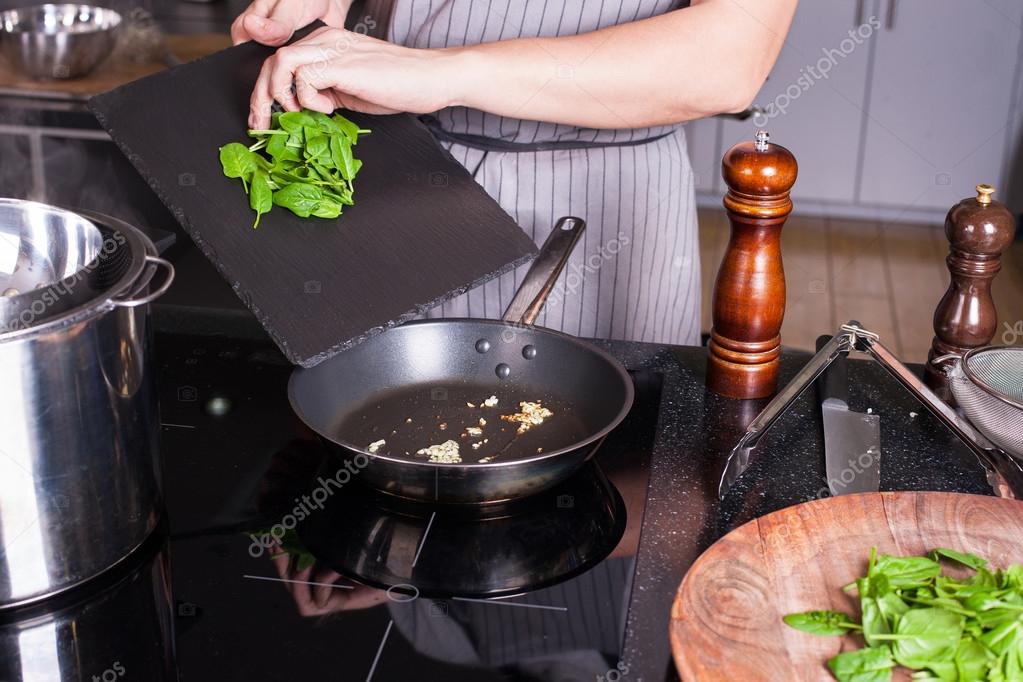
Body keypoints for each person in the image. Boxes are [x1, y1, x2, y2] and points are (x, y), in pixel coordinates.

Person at [232, 0, 798, 345]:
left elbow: (731, 56)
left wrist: (450, 71)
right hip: (388, 158)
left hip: (598, 196)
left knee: (595, 479)